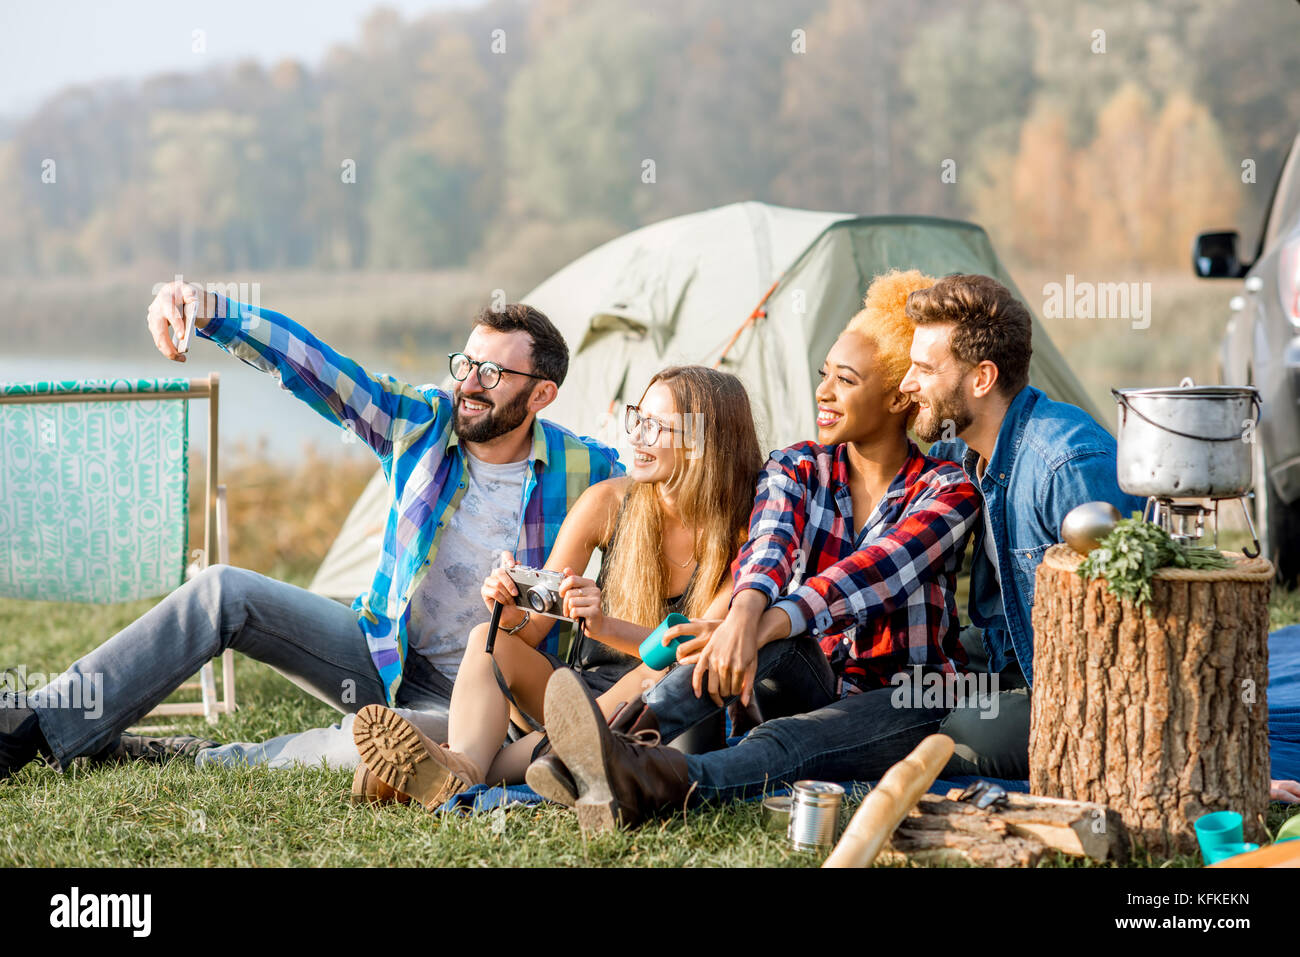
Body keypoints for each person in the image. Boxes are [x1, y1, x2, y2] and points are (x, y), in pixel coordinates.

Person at [0, 281, 622, 783]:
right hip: (378, 651)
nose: (468, 385)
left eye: (492, 375)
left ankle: (184, 756)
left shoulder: (587, 469)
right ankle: (33, 725)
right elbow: (323, 370)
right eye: (466, 365)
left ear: (541, 394)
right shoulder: (421, 424)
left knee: (373, 749)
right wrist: (211, 309)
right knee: (223, 590)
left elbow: (683, 499)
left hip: (476, 704)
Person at [533, 269, 983, 834]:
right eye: (824, 375)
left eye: (845, 380)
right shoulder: (796, 466)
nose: (822, 391)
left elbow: (873, 575)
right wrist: (744, 616)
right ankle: (612, 748)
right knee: (759, 627)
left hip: (904, 697)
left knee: (786, 732)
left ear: (897, 396)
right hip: (813, 673)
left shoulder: (948, 489)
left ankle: (648, 778)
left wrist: (757, 623)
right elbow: (770, 545)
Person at [903, 274, 1300, 802]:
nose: (908, 382)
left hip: (1080, 685)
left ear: (981, 378)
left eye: (924, 369)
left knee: (955, 741)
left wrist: (1203, 767)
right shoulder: (966, 448)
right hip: (1012, 650)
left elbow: (1147, 627)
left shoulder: (1067, 466)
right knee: (900, 690)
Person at [348, 366, 765, 810]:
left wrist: (603, 626)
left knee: (652, 678)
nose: (639, 437)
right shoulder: (608, 502)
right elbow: (528, 632)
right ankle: (466, 769)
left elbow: (694, 646)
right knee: (486, 643)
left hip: (667, 704)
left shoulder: (746, 533)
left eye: (658, 427)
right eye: (637, 419)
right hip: (577, 693)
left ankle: (454, 769)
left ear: (704, 441)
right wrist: (508, 608)